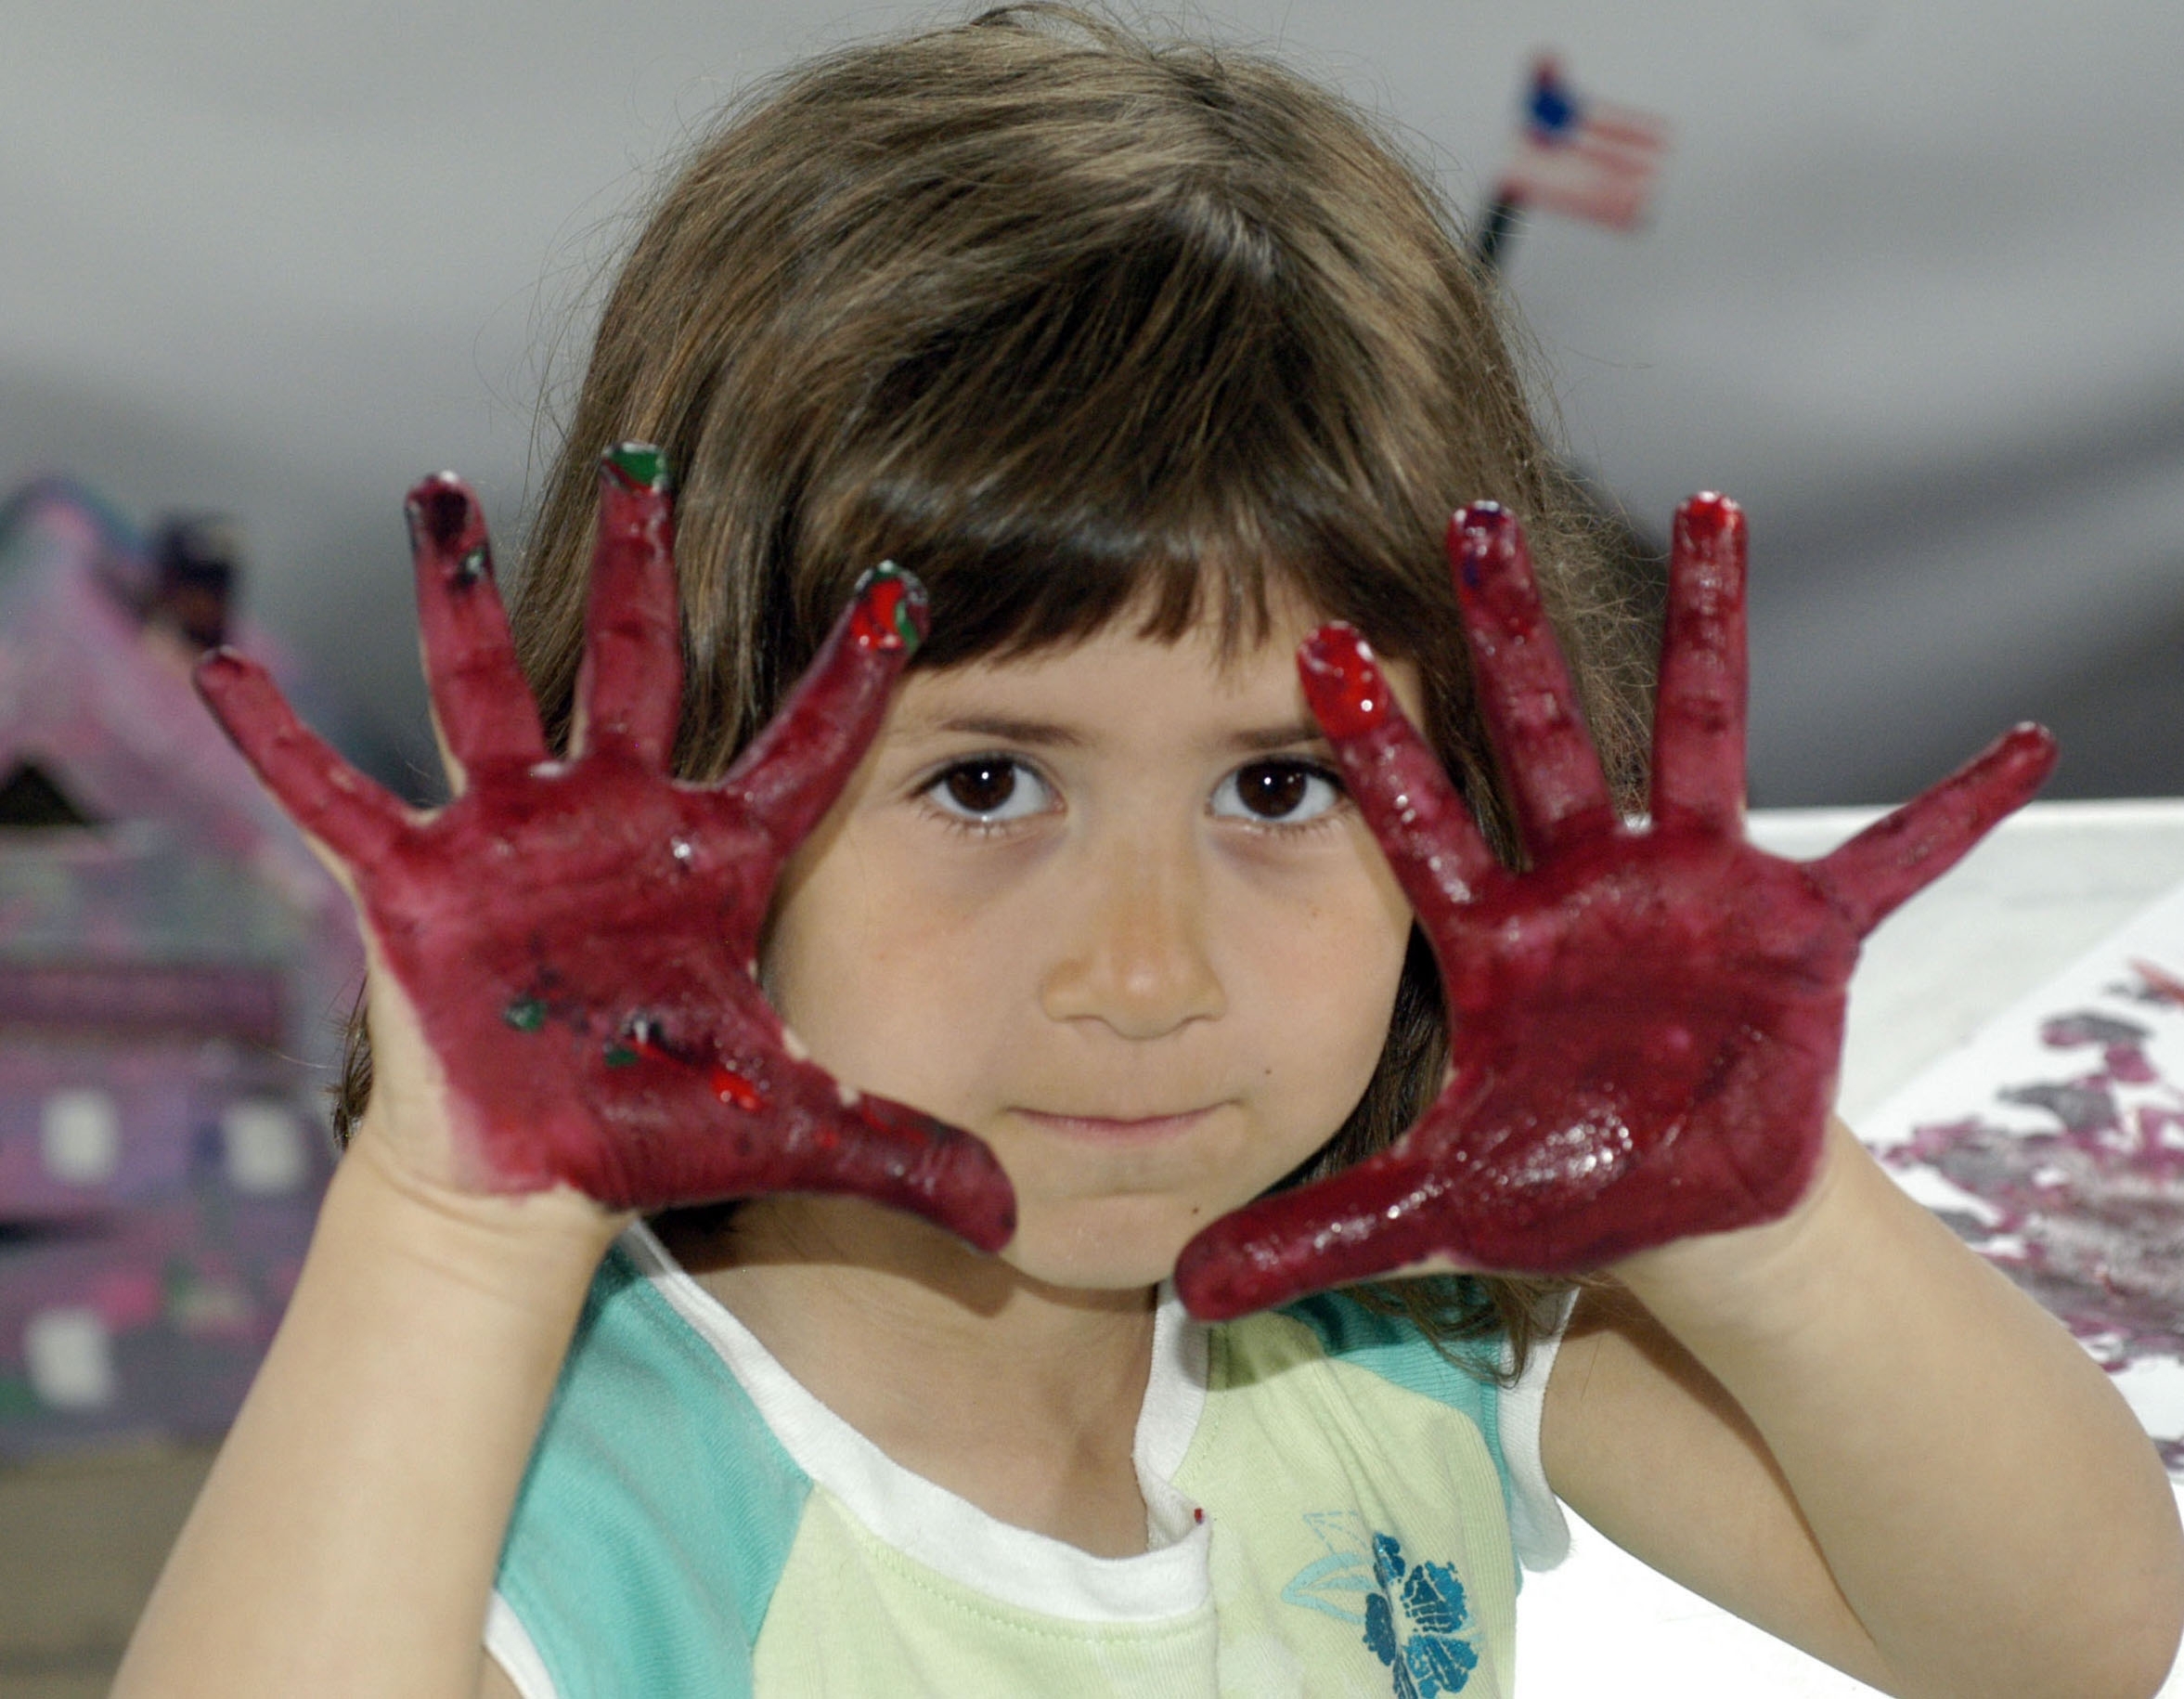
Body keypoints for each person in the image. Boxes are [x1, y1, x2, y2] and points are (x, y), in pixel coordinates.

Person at [114, 8, 2183, 1696]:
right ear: (690, 789)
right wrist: (455, 1234)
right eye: (988, 786)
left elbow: (2058, 1647)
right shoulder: (580, 1500)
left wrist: (1766, 1213)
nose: (1143, 970)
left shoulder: (1393, 1324)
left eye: (1279, 790)